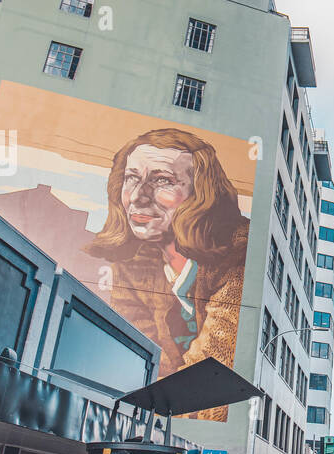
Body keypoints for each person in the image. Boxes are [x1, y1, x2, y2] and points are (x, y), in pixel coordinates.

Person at [86, 128, 249, 420]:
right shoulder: (131, 260)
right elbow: (137, 358)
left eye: (163, 181)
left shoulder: (239, 252)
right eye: (132, 178)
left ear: (201, 194)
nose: (138, 196)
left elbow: (213, 375)